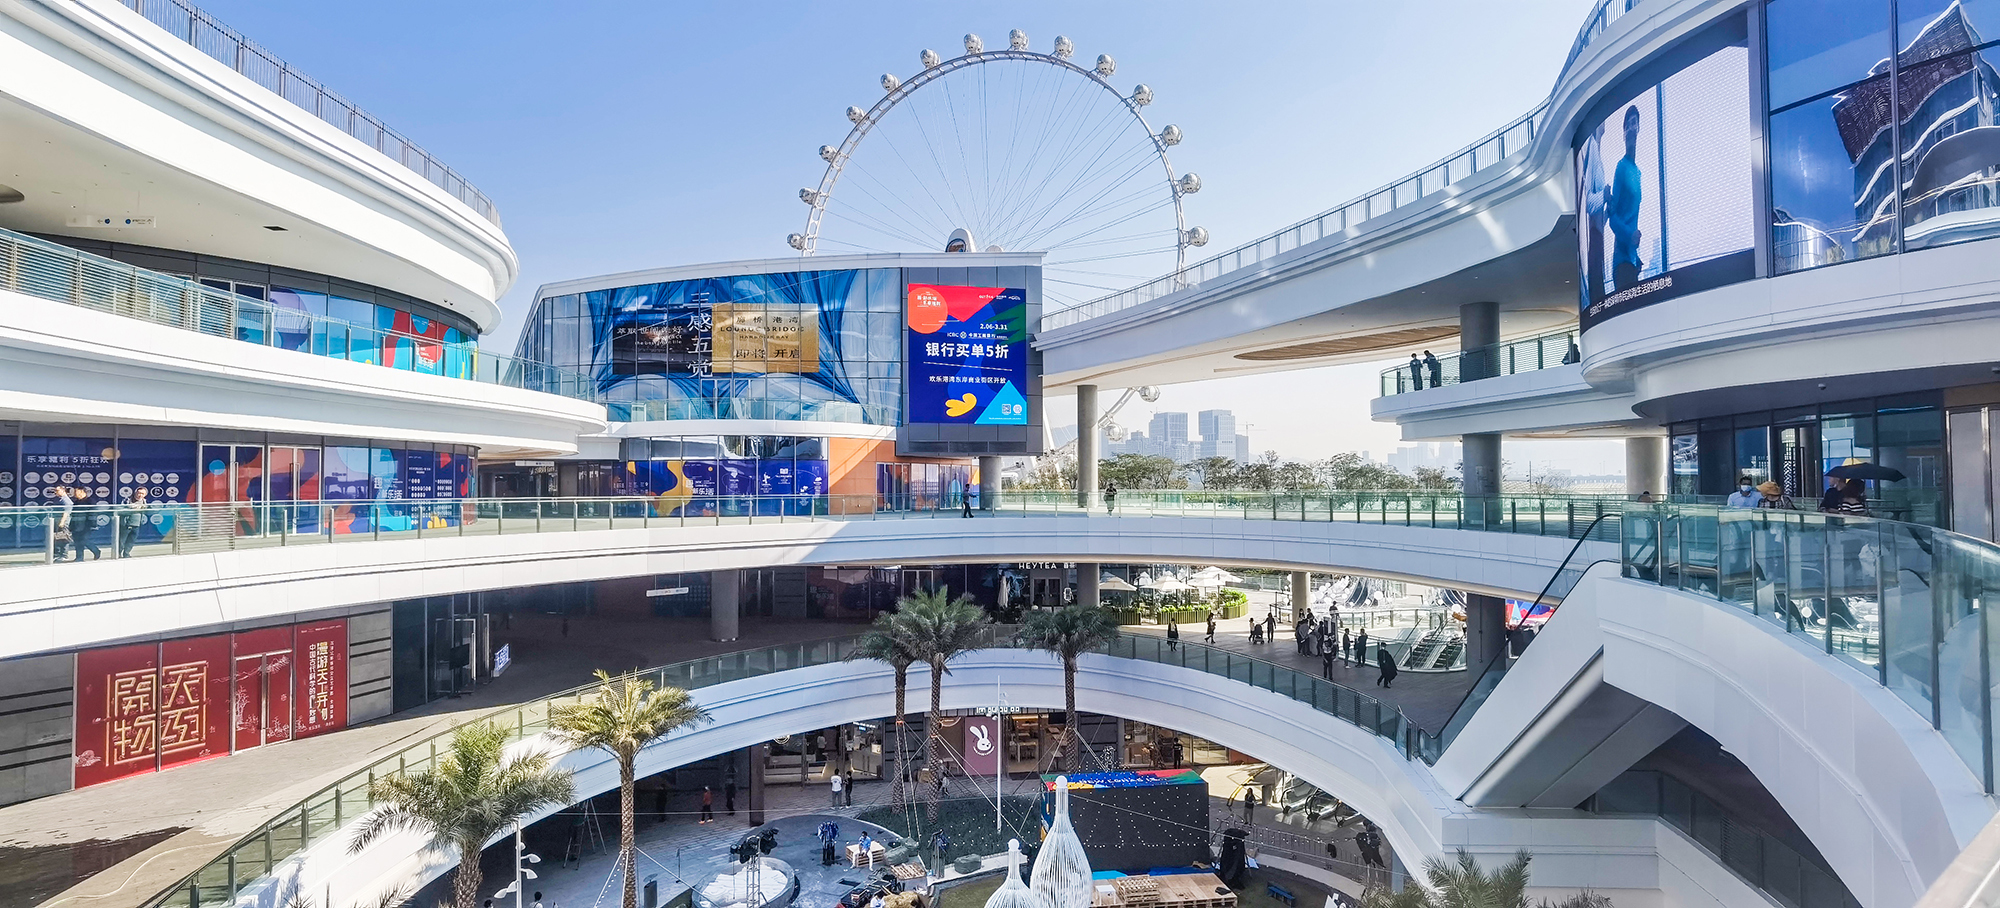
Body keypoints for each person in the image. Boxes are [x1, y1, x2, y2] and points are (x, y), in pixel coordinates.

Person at [1609, 105, 1645, 292]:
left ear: (1639, 128)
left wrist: (1636, 255)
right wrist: (1629, 236)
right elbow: (1612, 217)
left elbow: (1631, 215)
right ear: (1624, 132)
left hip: (1632, 261)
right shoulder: (1621, 167)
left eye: (1634, 123)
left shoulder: (1637, 172)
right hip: (1621, 263)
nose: (1632, 128)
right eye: (1628, 125)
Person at [69, 487, 102, 561]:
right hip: (76, 524)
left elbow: (93, 513)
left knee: (84, 540)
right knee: (77, 541)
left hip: (86, 525)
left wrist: (92, 524)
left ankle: (96, 550)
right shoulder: (76, 502)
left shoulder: (90, 501)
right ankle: (79, 557)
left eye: (76, 492)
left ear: (82, 492)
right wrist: (71, 525)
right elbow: (73, 514)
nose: (74, 494)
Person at [117, 487, 149, 559]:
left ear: (145, 494)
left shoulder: (144, 502)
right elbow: (120, 510)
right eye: (139, 493)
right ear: (135, 493)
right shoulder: (127, 500)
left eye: (142, 493)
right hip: (126, 524)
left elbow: (146, 511)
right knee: (121, 541)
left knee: (131, 541)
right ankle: (117, 554)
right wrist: (131, 509)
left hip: (136, 524)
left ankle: (126, 554)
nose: (140, 495)